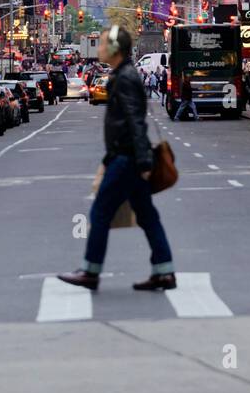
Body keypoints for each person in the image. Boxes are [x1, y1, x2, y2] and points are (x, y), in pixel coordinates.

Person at [57, 24, 174, 292]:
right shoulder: (124, 74)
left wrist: (142, 160)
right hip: (128, 157)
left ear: (114, 49)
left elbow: (135, 120)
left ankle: (90, 270)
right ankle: (164, 270)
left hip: (127, 158)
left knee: (100, 212)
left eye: (101, 44)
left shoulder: (124, 78)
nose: (98, 49)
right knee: (147, 215)